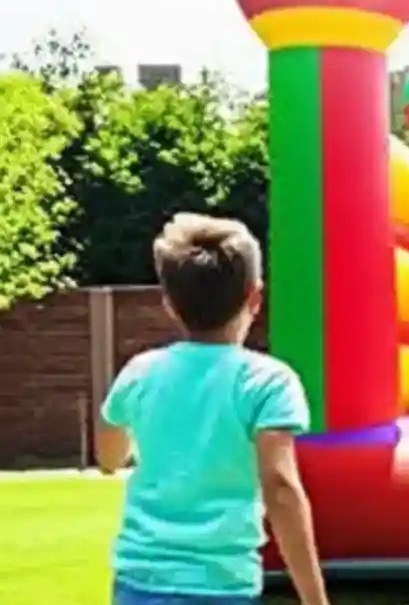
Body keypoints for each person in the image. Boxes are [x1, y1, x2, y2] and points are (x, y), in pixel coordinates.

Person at [96, 213, 329, 605]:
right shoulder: (268, 381)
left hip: (138, 582)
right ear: (255, 298)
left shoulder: (140, 372)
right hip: (220, 585)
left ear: (170, 304)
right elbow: (280, 487)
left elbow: (108, 455)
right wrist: (315, 600)